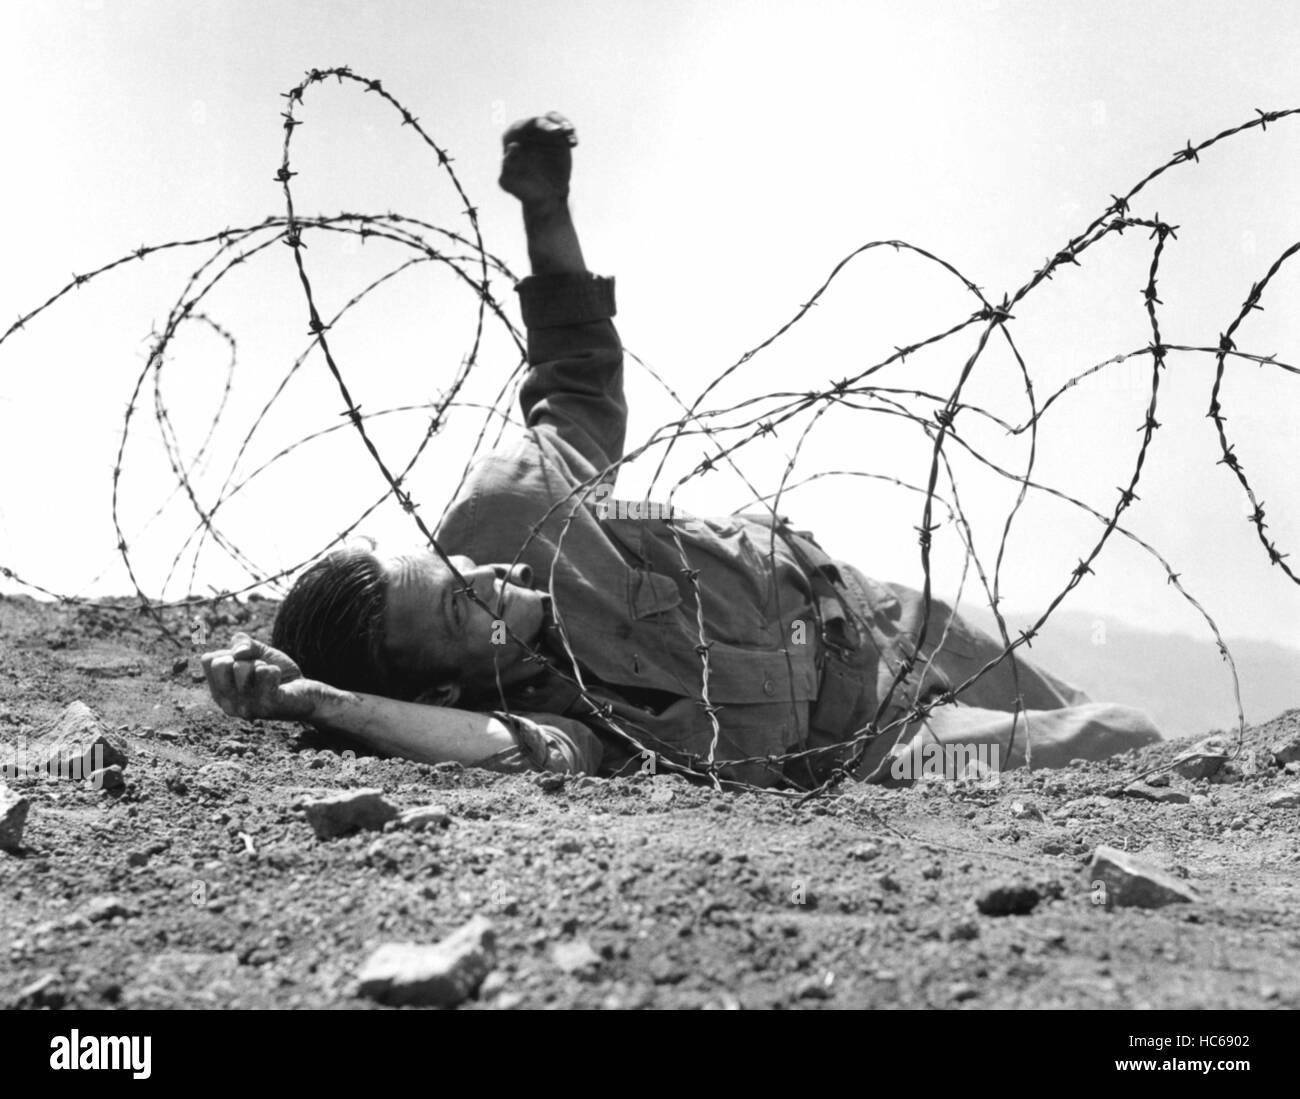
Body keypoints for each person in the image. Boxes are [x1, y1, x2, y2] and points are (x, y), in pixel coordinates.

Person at [201, 113, 1161, 789]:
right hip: (882, 743)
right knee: (1129, 741)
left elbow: (573, 375)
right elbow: (508, 749)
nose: (492, 573)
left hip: (872, 610)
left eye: (459, 568)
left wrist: (544, 212)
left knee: (1128, 720)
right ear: (450, 681)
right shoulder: (559, 716)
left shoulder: (510, 513)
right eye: (466, 604)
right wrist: (320, 702)